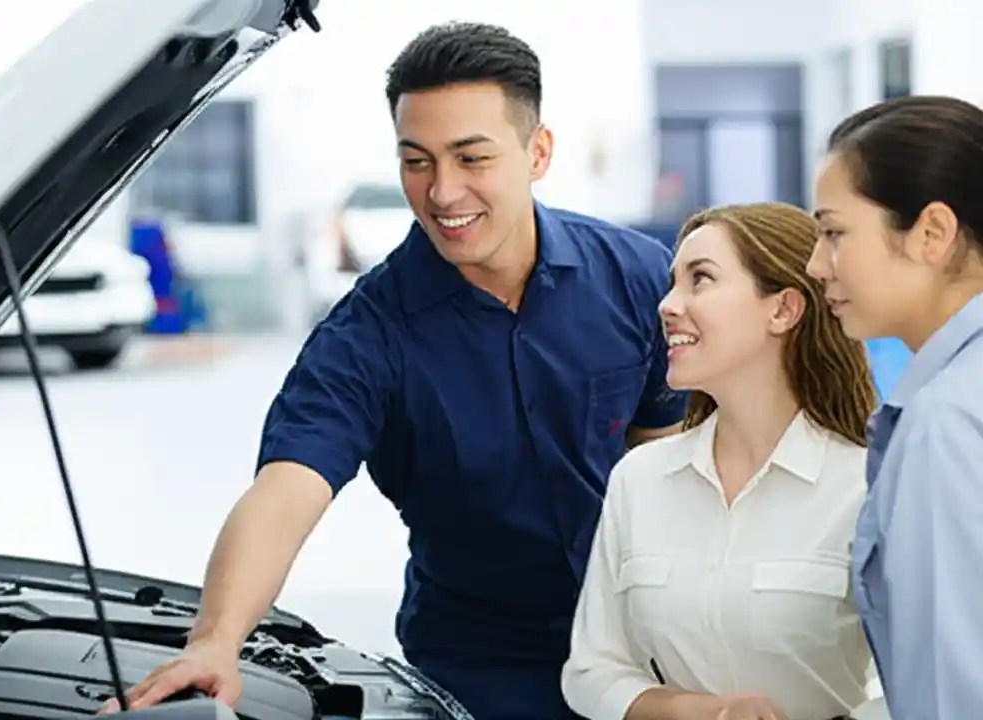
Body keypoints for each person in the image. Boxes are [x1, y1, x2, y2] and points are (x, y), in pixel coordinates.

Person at [100, 21, 686, 719]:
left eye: (472, 158)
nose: (442, 192)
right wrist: (215, 642)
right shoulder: (366, 335)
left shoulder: (638, 277)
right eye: (417, 161)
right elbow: (285, 494)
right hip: (480, 672)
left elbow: (667, 453)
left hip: (648, 648)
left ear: (538, 152)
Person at [561, 202, 880, 720]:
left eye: (700, 279)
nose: (668, 304)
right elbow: (592, 671)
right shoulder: (639, 480)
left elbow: (923, 681)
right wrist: (699, 710)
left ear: (783, 310)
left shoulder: (869, 487)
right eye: (672, 282)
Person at [807, 95, 983, 719]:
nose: (816, 265)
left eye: (834, 233)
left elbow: (953, 688)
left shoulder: (948, 421)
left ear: (932, 233)